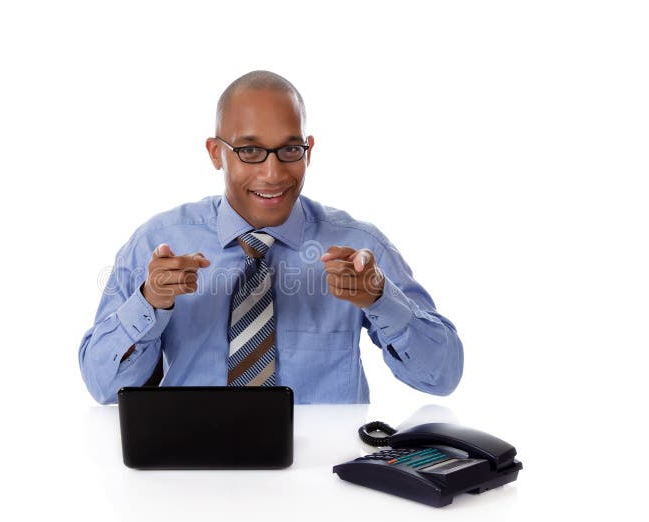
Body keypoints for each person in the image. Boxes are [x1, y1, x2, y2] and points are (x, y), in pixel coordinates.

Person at [78, 70, 463, 404]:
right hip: (192, 473)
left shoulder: (360, 249)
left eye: (289, 149)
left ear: (308, 151)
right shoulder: (157, 243)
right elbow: (102, 386)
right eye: (250, 151)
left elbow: (443, 377)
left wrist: (381, 300)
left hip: (324, 476)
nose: (273, 173)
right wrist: (150, 300)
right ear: (216, 153)